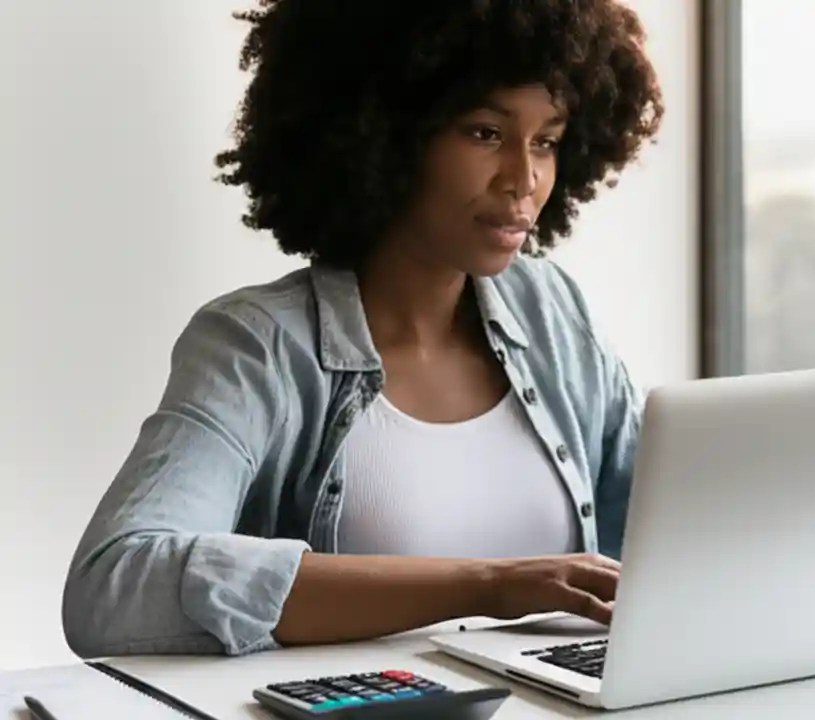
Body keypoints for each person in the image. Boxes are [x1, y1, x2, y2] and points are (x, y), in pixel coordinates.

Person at [62, 0, 662, 658]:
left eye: (546, 141)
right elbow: (114, 586)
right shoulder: (258, 346)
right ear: (389, 132)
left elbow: (668, 524)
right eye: (486, 133)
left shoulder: (550, 311)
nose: (525, 179)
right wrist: (486, 586)